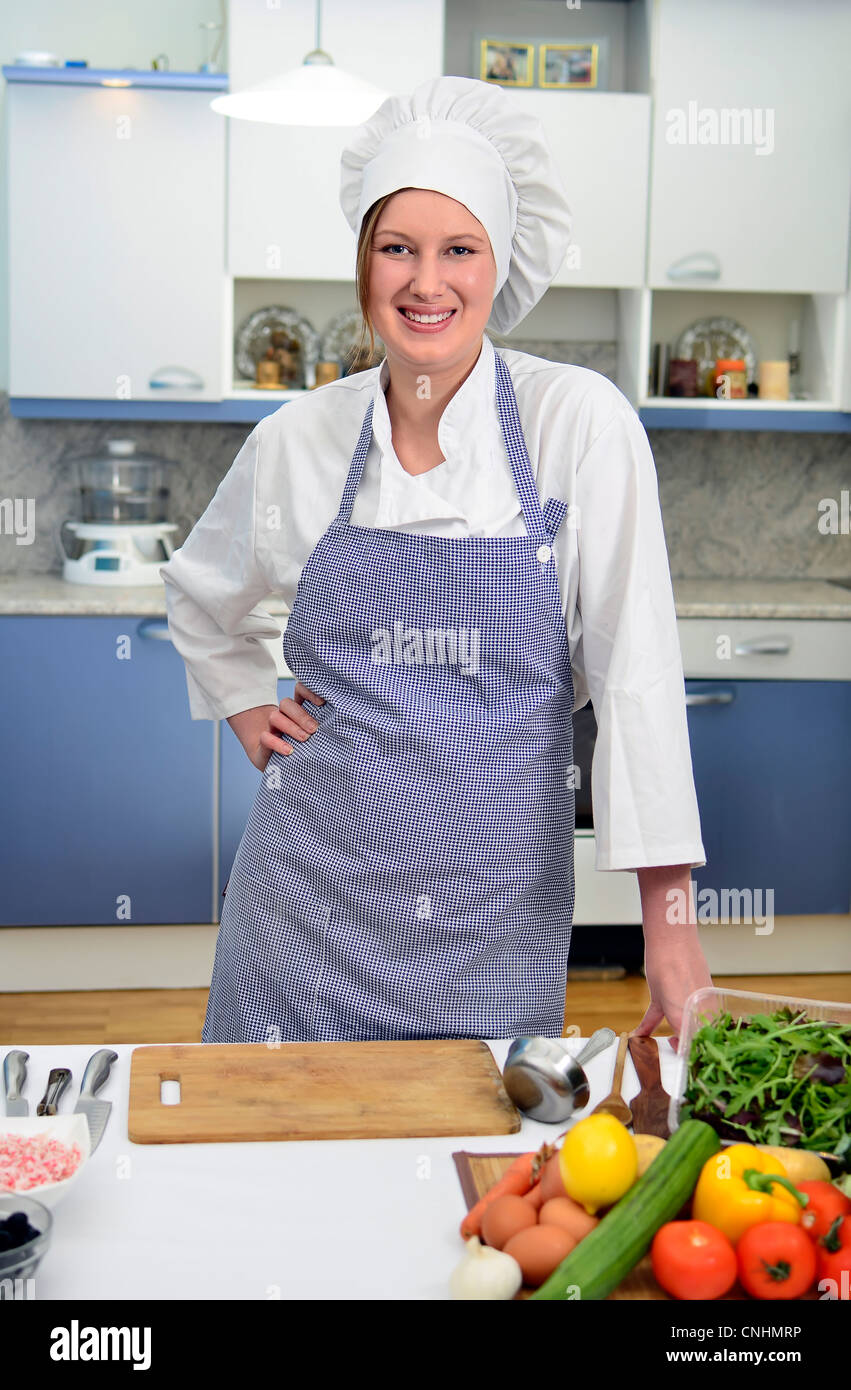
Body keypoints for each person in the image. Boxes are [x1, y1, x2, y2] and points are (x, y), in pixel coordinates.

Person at [161, 76, 712, 1047]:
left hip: (487, 921)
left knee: (471, 1181)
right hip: (300, 911)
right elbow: (204, 599)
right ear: (363, 265)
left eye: (458, 250)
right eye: (396, 249)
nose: (426, 282)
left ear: (498, 266)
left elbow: (634, 678)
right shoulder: (301, 438)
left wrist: (667, 926)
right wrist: (245, 700)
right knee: (266, 1171)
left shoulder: (574, 424)